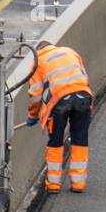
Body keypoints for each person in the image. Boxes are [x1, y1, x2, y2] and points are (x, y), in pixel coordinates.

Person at [27, 41, 93, 193]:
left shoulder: (37, 61)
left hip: (59, 102)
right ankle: (78, 183)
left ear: (39, 51)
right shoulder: (70, 51)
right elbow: (83, 75)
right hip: (83, 96)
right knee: (80, 139)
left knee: (55, 141)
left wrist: (33, 115)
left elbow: (35, 95)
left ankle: (53, 185)